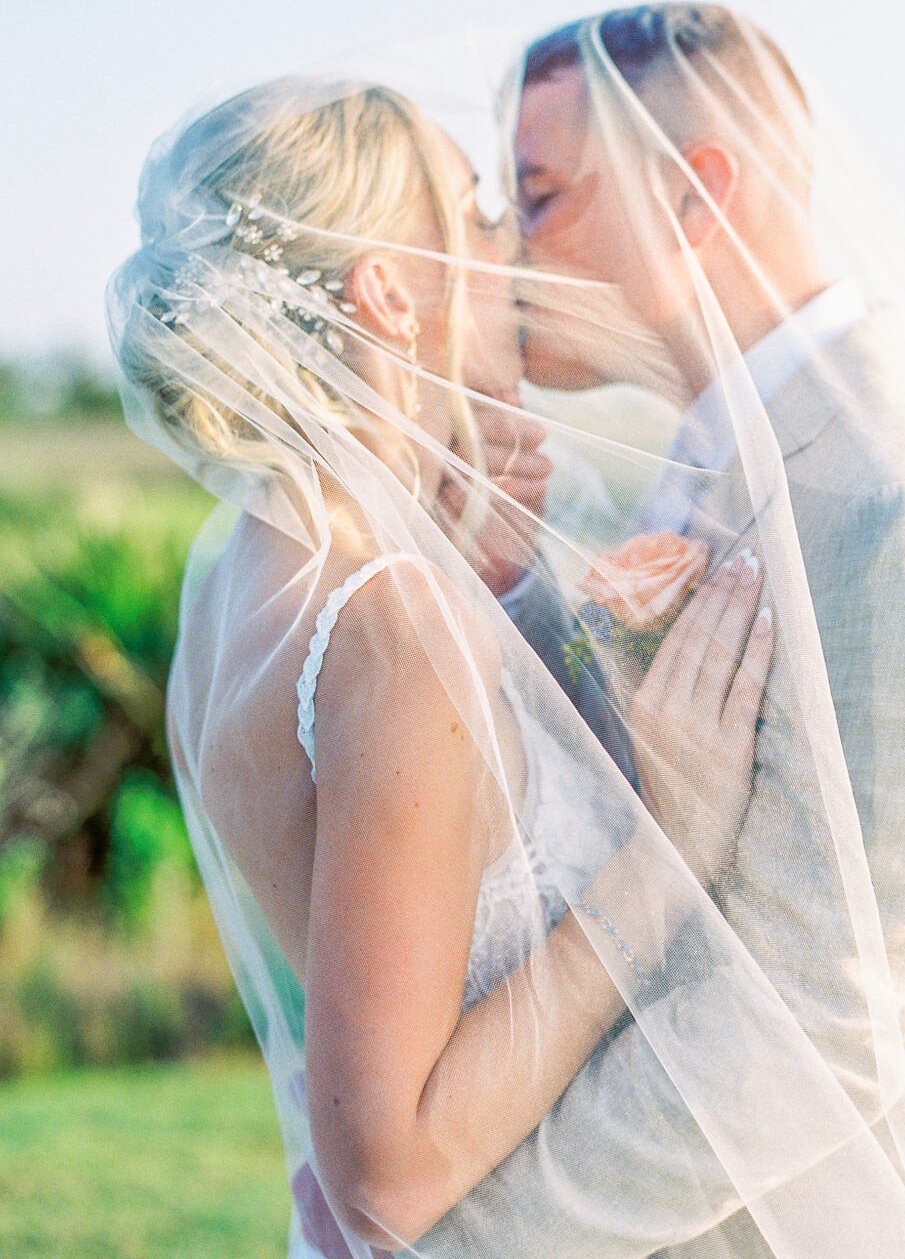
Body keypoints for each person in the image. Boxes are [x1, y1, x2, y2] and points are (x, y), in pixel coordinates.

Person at [417, 5, 905, 1257]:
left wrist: (463, 1237)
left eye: (537, 195)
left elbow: (826, 1016)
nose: (503, 255)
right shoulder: (722, 452)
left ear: (696, 194)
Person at [107, 78, 775, 1256]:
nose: (504, 250)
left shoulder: (240, 563)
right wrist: (670, 855)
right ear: (384, 293)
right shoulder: (391, 619)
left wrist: (486, 568)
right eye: (471, 218)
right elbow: (388, 1174)